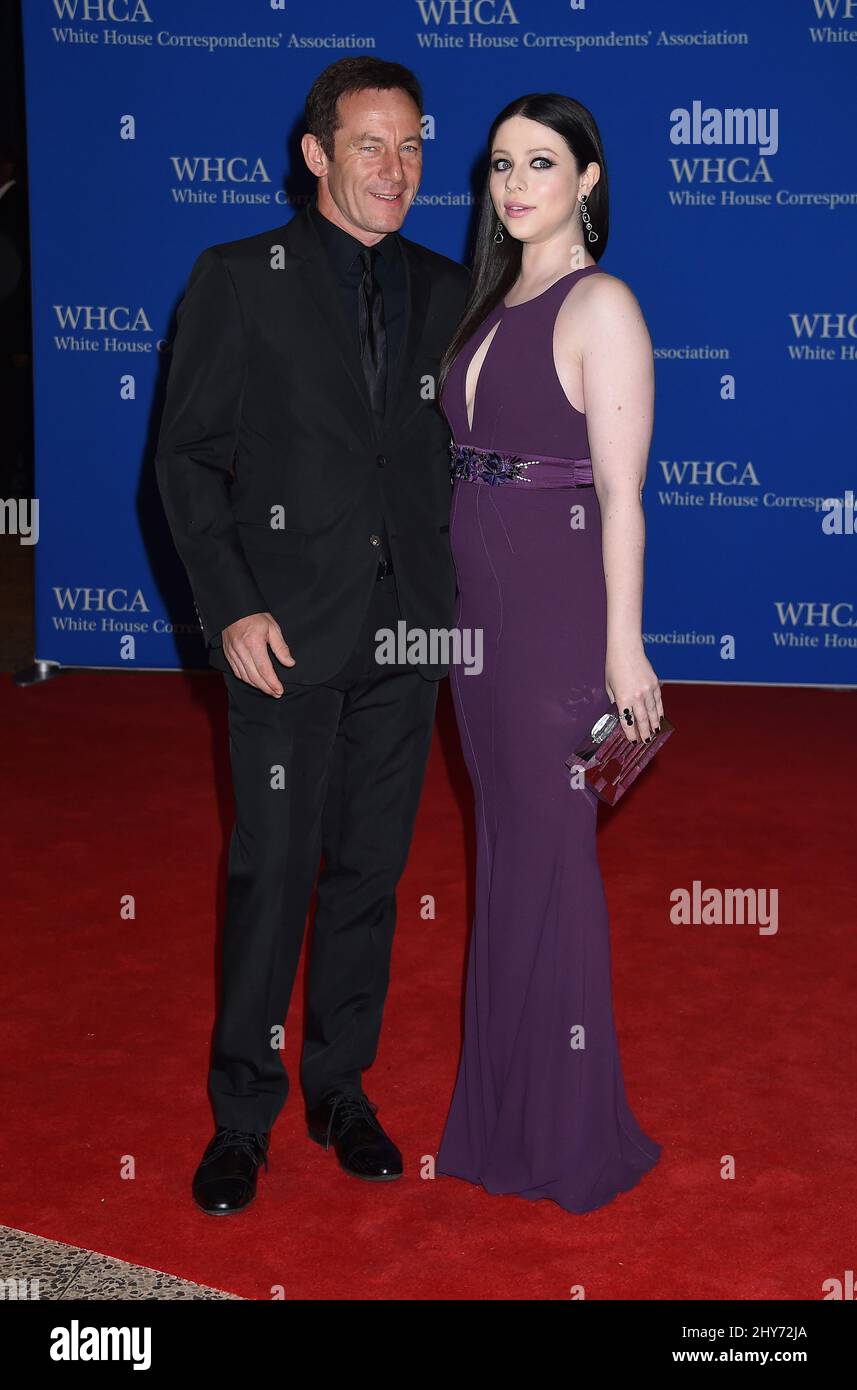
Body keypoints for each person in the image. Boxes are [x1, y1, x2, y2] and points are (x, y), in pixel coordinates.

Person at [155, 57, 469, 1215]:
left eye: (411, 147)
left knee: (370, 872)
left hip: (408, 639)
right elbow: (185, 462)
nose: (395, 170)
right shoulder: (241, 279)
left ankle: (340, 1087)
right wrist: (232, 603)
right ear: (316, 154)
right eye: (370, 146)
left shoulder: (448, 287)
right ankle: (243, 1110)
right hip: (281, 634)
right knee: (273, 869)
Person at [435, 93, 663, 1213]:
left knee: (551, 860)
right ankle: (498, 1120)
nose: (513, 183)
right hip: (477, 624)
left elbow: (620, 494)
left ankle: (569, 1139)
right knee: (507, 858)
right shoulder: (492, 297)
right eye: (497, 166)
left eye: (539, 163)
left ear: (587, 180)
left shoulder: (599, 302)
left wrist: (623, 652)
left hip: (555, 622)